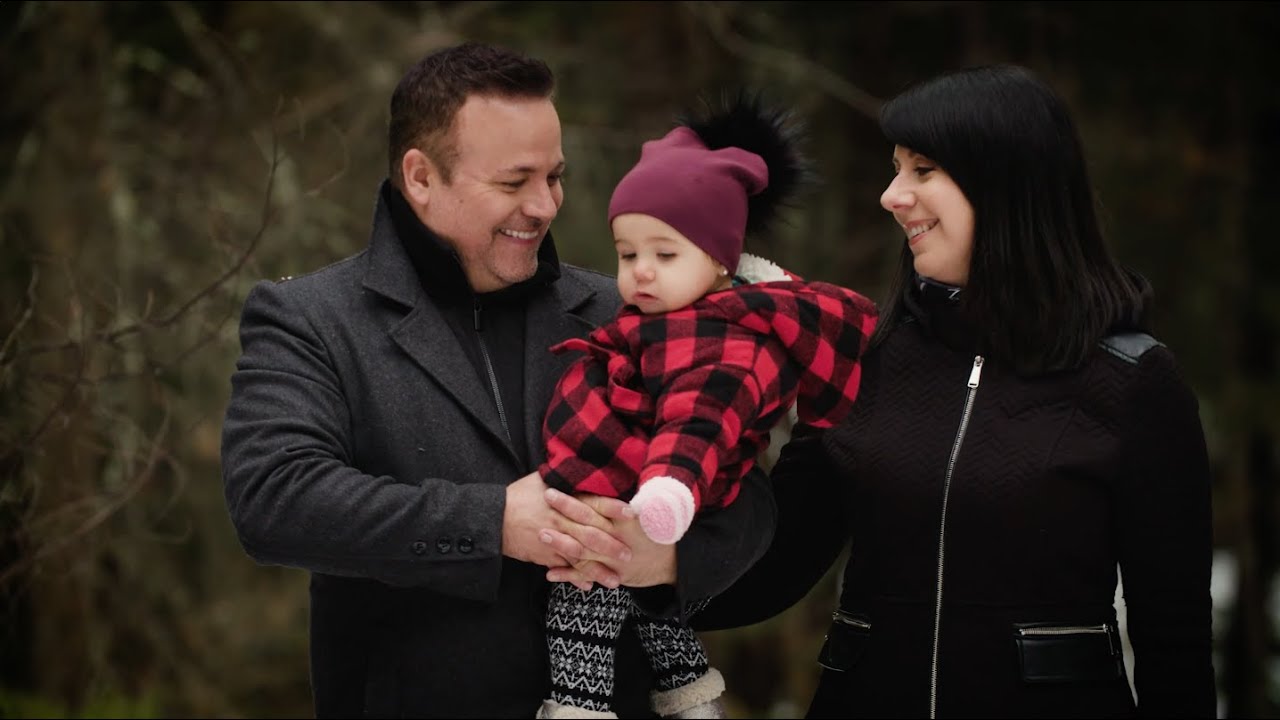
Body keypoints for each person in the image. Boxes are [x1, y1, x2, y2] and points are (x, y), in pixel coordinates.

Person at [220, 41, 777, 719]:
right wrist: (492, 524)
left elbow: (747, 496)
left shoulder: (625, 311)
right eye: (514, 183)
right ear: (421, 176)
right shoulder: (311, 319)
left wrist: (666, 559)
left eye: (555, 177)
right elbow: (274, 499)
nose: (545, 206)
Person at [692, 64, 1216, 718]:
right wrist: (640, 571)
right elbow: (771, 563)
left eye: (922, 170)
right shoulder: (863, 362)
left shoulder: (1132, 381)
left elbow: (1177, 646)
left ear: (1005, 183)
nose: (891, 196)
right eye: (894, 168)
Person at [534, 95, 878, 719]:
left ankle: (579, 704)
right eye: (627, 253)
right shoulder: (656, 323)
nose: (640, 272)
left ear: (719, 259)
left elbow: (701, 420)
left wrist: (669, 488)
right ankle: (690, 697)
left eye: (665, 255)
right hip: (632, 492)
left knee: (587, 597)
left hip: (667, 492)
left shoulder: (724, 342)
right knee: (652, 608)